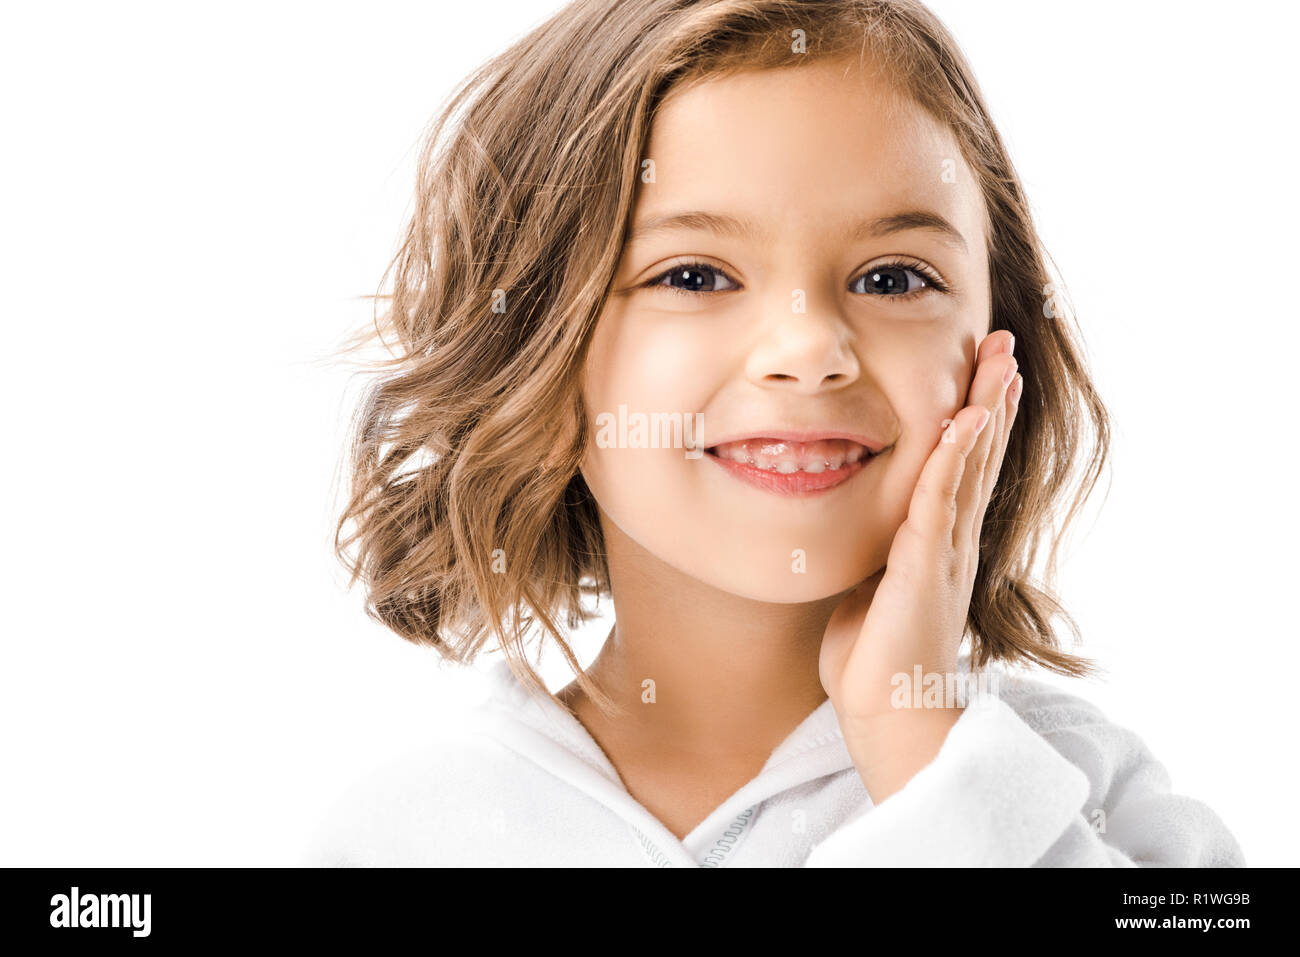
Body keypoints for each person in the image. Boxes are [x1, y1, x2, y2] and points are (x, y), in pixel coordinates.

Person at [304, 0, 1243, 867]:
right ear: (539, 353)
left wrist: (922, 752)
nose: (807, 350)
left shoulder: (1094, 801)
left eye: (891, 279)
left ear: (1001, 355)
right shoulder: (401, 833)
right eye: (696, 276)